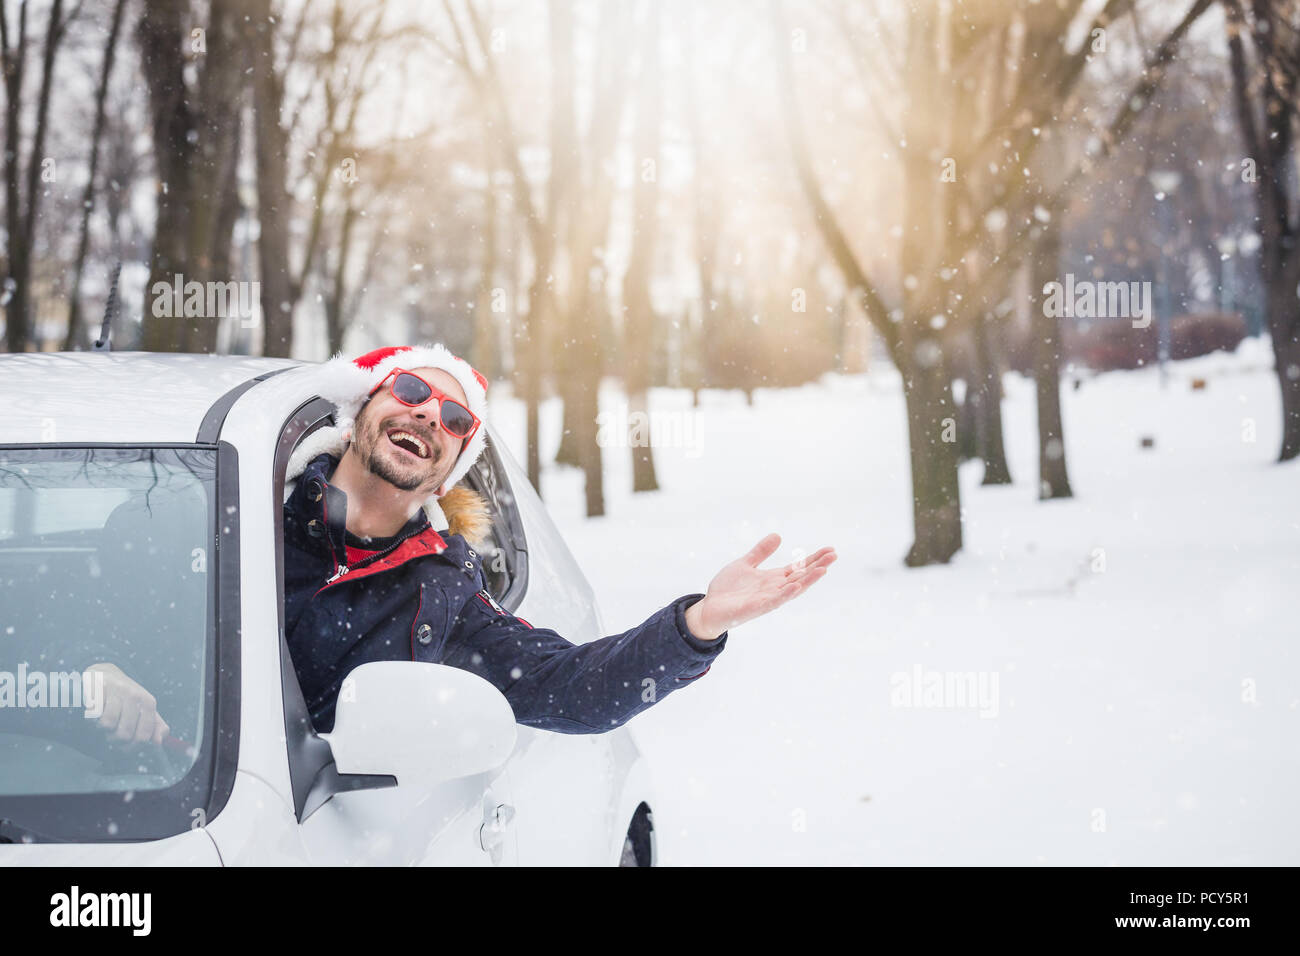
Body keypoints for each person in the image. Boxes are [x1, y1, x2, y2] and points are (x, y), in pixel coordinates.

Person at [99, 343, 838, 740]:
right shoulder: (222, 514)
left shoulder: (442, 595)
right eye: (412, 394)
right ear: (363, 408)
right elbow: (83, 616)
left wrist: (697, 625)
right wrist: (100, 669)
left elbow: (574, 689)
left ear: (451, 467)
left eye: (455, 421)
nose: (429, 417)